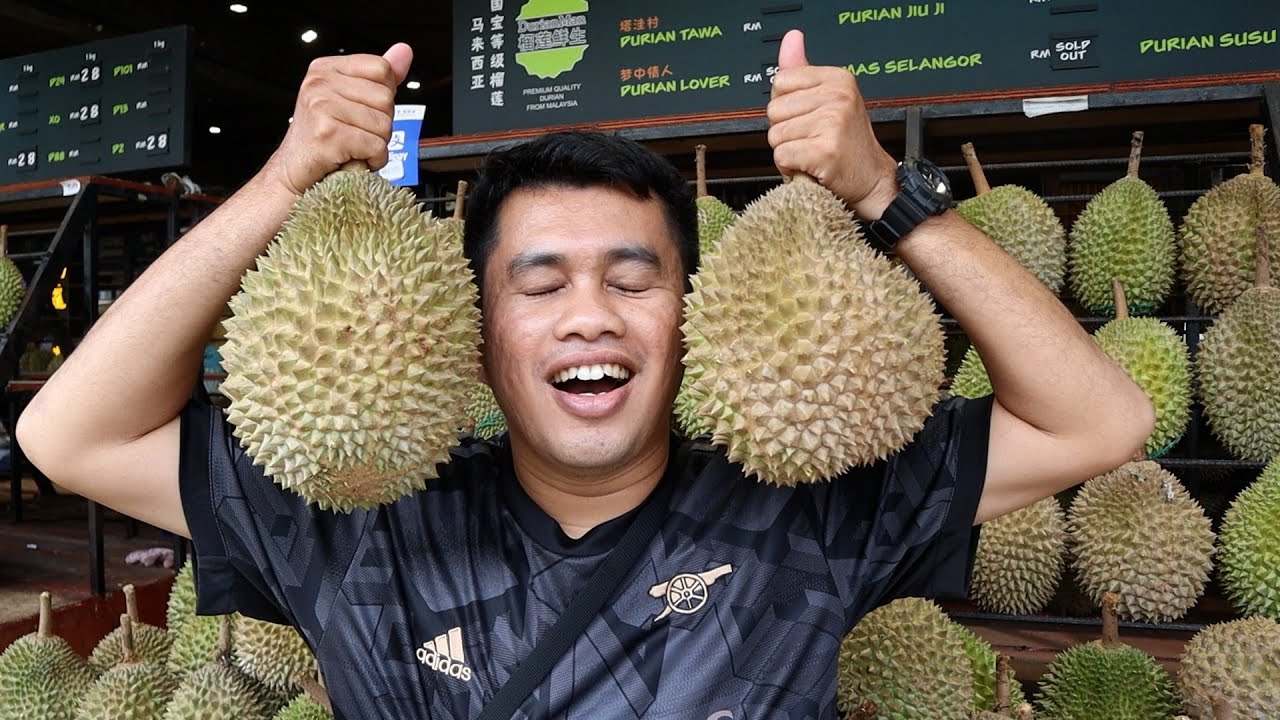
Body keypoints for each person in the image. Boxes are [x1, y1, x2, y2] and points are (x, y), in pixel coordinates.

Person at [16, 30, 1152, 719]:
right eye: (539, 282)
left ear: (693, 316)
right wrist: (278, 185)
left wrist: (880, 192)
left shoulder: (807, 515)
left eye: (631, 276)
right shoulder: (357, 523)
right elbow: (70, 436)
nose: (588, 317)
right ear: (471, 330)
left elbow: (1097, 421)